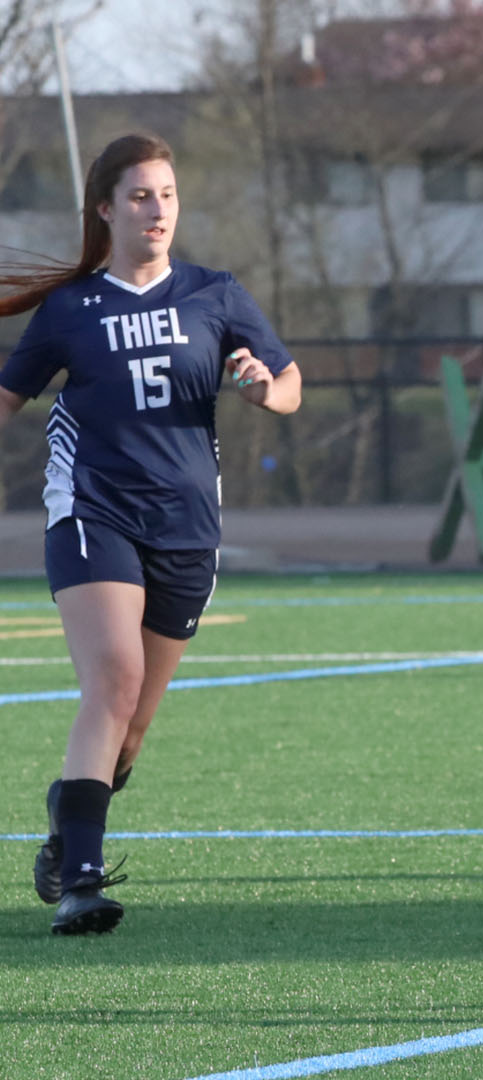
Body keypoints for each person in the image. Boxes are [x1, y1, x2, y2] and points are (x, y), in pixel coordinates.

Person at [0, 133, 302, 935]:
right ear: (105, 209)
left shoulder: (216, 293)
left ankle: (69, 825)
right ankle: (83, 884)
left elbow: (289, 385)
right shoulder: (71, 309)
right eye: (140, 195)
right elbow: (7, 396)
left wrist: (263, 387)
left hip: (187, 526)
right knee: (114, 679)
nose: (157, 209)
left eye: (167, 194)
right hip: (93, 512)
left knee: (131, 731)